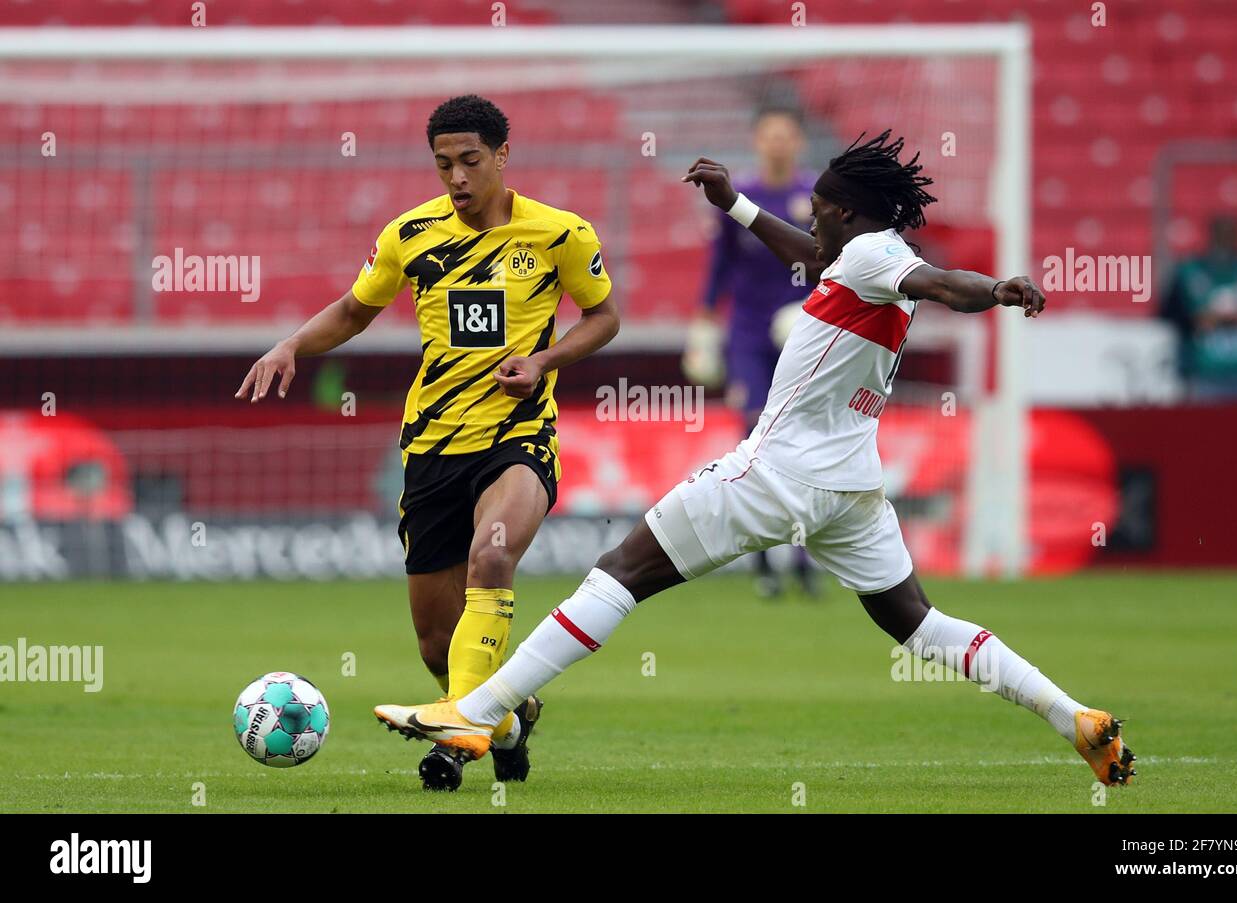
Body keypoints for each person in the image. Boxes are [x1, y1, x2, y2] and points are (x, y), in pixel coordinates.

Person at [374, 130, 1136, 789]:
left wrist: (996, 288)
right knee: (918, 623)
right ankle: (1073, 715)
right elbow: (818, 256)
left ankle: (475, 713)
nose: (812, 217)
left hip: (776, 474)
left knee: (622, 569)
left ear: (843, 210)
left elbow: (937, 283)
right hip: (852, 489)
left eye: (818, 208)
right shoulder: (861, 255)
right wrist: (736, 205)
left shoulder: (875, 255)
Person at [237, 95, 620, 790]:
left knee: (492, 552)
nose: (457, 177)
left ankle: (460, 736)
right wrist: (293, 343)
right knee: (436, 644)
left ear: (503, 155)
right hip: (433, 449)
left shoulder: (560, 235)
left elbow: (604, 317)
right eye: (444, 164)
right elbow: (356, 309)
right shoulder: (409, 235)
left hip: (518, 438)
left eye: (470, 161)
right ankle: (508, 712)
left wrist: (542, 362)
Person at [687, 104, 818, 598]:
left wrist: (814, 306)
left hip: (803, 333)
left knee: (798, 435)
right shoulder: (739, 196)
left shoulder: (817, 197)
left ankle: (802, 558)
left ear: (799, 142)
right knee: (755, 434)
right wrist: (703, 315)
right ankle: (763, 562)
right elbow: (720, 260)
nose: (778, 143)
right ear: (757, 142)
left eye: (786, 135)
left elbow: (831, 263)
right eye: (770, 136)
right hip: (746, 332)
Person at [1160, 214, 1237, 402]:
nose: (1227, 241)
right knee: (1206, 428)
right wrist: (1197, 320)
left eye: (1231, 234)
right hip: (1205, 371)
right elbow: (1167, 313)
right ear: (1211, 236)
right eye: (1222, 234)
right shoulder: (1190, 271)